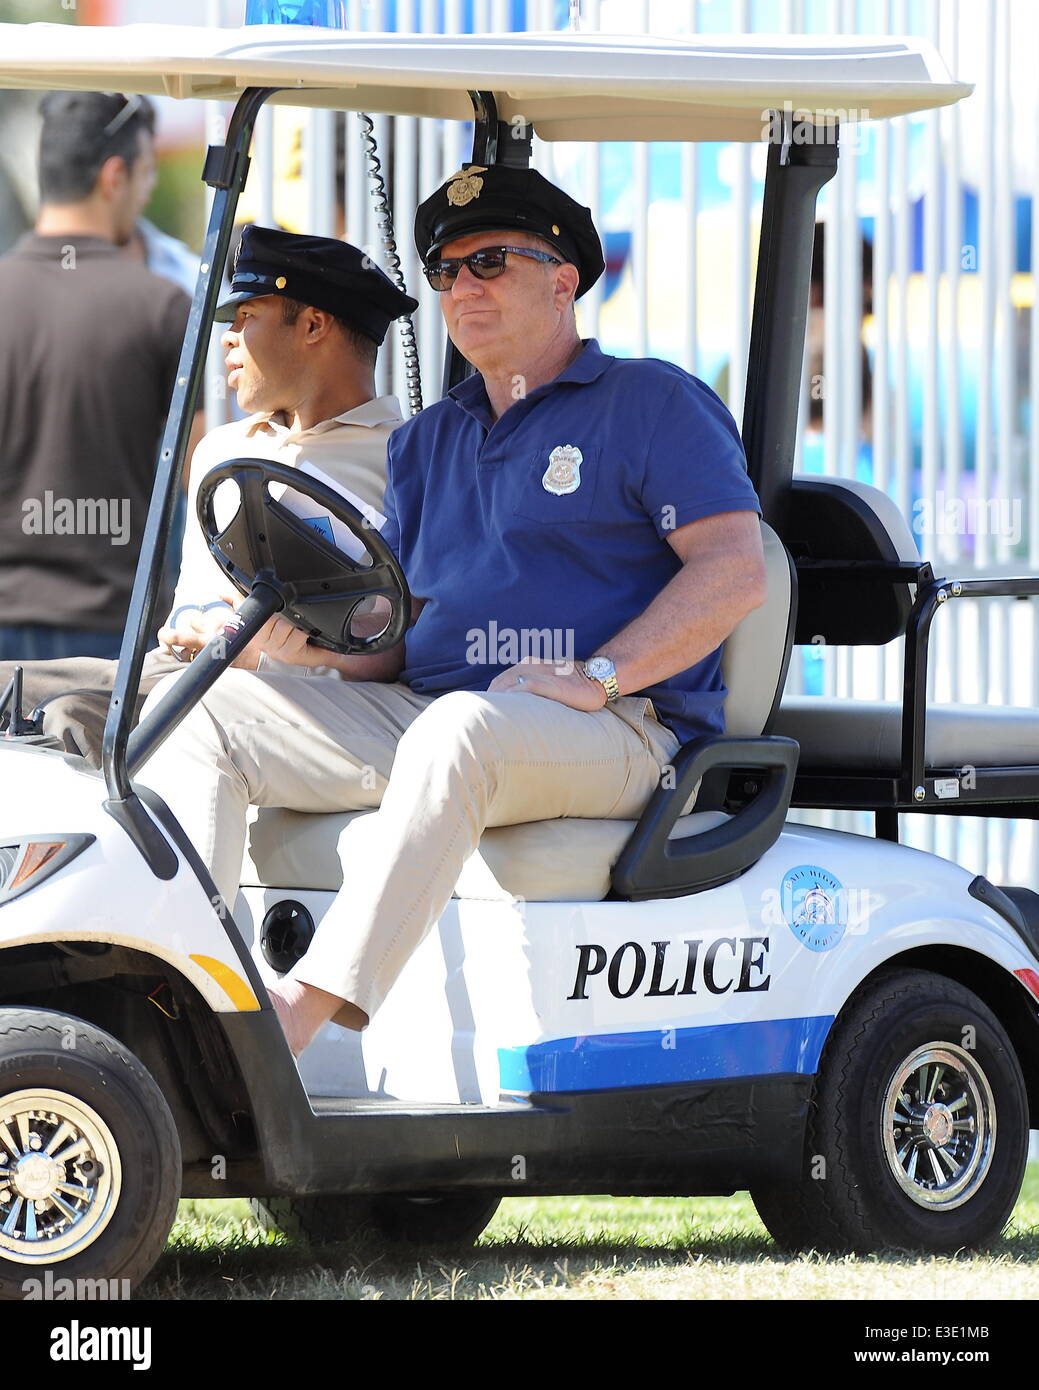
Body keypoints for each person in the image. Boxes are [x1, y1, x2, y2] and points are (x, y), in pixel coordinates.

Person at [136, 165, 766, 1060]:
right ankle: (189, 999)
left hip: (616, 725)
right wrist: (289, 651)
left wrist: (597, 675)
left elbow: (734, 570)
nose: (462, 287)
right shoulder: (429, 439)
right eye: (445, 271)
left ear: (563, 279)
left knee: (458, 730)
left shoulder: (650, 402)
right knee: (198, 713)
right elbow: (394, 645)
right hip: (436, 713)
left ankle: (288, 1028)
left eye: (491, 262)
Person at [0, 225, 415, 763]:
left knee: (71, 716)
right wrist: (199, 625)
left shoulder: (408, 457)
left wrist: (267, 651)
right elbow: (186, 611)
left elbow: (400, 644)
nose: (228, 337)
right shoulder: (221, 449)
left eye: (248, 319)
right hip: (178, 667)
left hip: (289, 696)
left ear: (313, 324)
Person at [0, 91, 203, 663]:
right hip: (109, 634)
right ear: (115, 175)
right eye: (145, 175)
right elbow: (200, 474)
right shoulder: (163, 305)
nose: (146, 192)